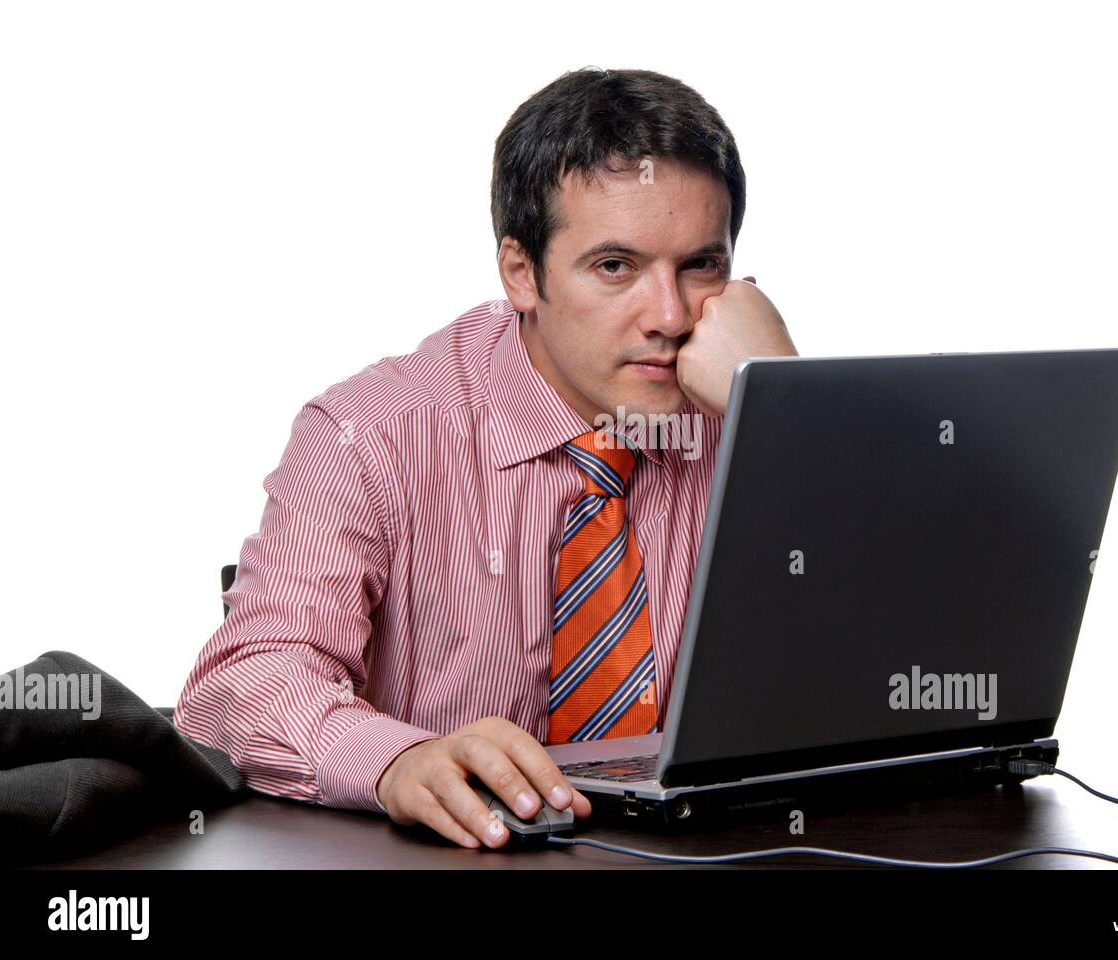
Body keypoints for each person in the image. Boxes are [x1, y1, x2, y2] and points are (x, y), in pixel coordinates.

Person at [173, 67, 797, 849]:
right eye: (616, 267)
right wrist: (396, 760)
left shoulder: (745, 410)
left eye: (700, 266)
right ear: (519, 273)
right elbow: (243, 683)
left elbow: (890, 657)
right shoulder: (370, 435)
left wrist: (777, 406)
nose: (669, 317)